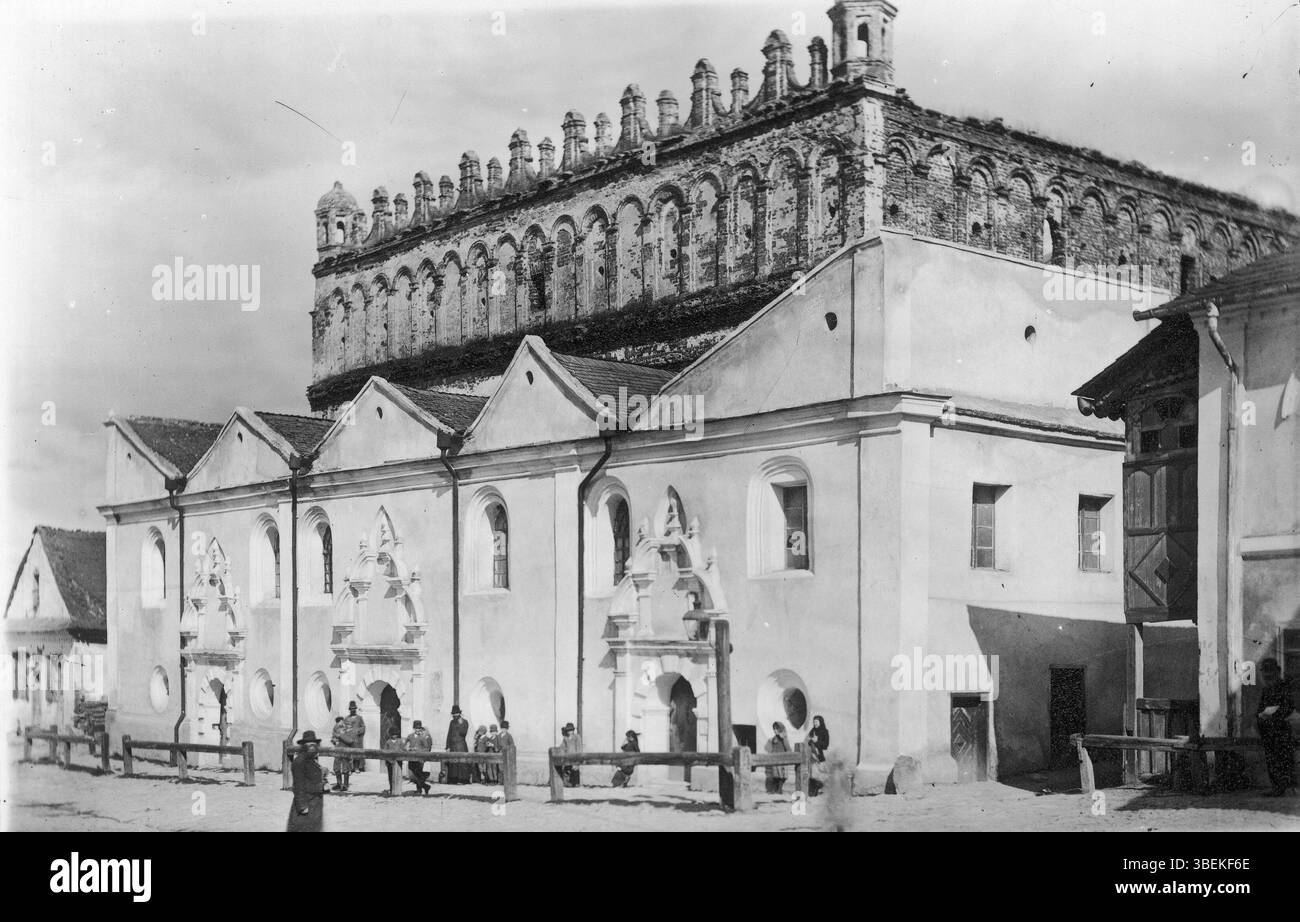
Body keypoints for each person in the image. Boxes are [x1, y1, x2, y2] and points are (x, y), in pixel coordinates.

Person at [1256, 658, 1296, 797]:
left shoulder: (1284, 688)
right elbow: (1260, 709)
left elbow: (1288, 707)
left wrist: (1274, 715)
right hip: (1268, 731)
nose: (1267, 677)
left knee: (1282, 758)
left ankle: (1282, 787)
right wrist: (1261, 715)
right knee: (1271, 759)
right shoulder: (1266, 690)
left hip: (1281, 730)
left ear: (1277, 672)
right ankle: (1276, 787)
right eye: (1265, 674)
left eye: (1270, 674)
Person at [287, 730, 327, 832]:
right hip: (306, 804)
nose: (311, 745)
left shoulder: (312, 760)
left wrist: (323, 778)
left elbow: (311, 779)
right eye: (308, 743)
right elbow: (298, 786)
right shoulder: (299, 761)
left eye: (313, 743)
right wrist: (302, 806)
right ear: (303, 745)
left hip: (315, 803)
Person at [405, 719, 434, 794]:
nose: (418, 730)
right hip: (411, 758)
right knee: (412, 773)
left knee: (418, 774)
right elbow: (405, 744)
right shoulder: (410, 736)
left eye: (419, 729)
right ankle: (426, 786)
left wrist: (419, 750)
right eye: (416, 728)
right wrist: (408, 748)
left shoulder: (422, 737)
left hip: (419, 759)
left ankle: (419, 790)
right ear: (414, 729)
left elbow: (426, 748)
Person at [444, 704, 471, 784]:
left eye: (456, 714)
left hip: (461, 745)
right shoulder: (451, 722)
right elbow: (449, 734)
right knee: (453, 763)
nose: (454, 715)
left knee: (461, 762)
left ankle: (463, 779)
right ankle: (453, 779)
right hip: (452, 745)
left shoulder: (464, 722)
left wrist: (460, 725)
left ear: (459, 713)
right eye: (453, 714)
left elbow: (464, 733)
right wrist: (447, 746)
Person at [765, 721, 790, 794]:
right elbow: (769, 748)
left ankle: (780, 789)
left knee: (782, 776)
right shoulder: (773, 739)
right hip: (775, 760)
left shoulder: (784, 738)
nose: (775, 731)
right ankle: (776, 790)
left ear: (780, 729)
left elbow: (788, 749)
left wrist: (786, 757)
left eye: (776, 729)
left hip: (782, 760)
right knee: (776, 775)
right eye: (774, 729)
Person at [807, 715, 829, 796]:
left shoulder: (825, 731)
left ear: (820, 722)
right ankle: (813, 793)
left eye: (816, 721)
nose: (814, 723)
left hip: (820, 756)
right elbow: (807, 742)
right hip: (812, 755)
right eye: (813, 722)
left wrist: (817, 741)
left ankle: (816, 790)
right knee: (813, 775)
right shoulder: (812, 731)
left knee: (820, 777)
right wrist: (810, 741)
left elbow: (826, 745)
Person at [342, 701, 366, 774]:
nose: (353, 710)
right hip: (349, 739)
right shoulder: (346, 718)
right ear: (349, 709)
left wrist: (358, 731)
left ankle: (356, 768)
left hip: (357, 739)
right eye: (351, 709)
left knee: (357, 754)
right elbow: (343, 728)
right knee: (349, 754)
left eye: (354, 708)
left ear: (355, 709)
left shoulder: (359, 718)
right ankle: (349, 768)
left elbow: (363, 727)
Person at [330, 716, 352, 791]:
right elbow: (333, 738)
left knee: (345, 768)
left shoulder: (348, 730)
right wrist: (333, 740)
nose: (340, 723)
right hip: (337, 751)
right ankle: (339, 784)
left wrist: (339, 736)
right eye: (338, 722)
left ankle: (345, 785)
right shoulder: (336, 730)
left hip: (345, 751)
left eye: (341, 722)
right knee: (336, 768)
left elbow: (350, 740)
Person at [560, 722, 583, 787]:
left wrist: (578, 757)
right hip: (567, 757)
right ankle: (567, 783)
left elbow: (579, 747)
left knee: (575, 770)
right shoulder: (565, 738)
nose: (569, 732)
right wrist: (561, 752)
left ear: (573, 730)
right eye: (568, 730)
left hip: (575, 757)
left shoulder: (577, 737)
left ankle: (576, 783)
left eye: (571, 730)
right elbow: (562, 747)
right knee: (567, 770)